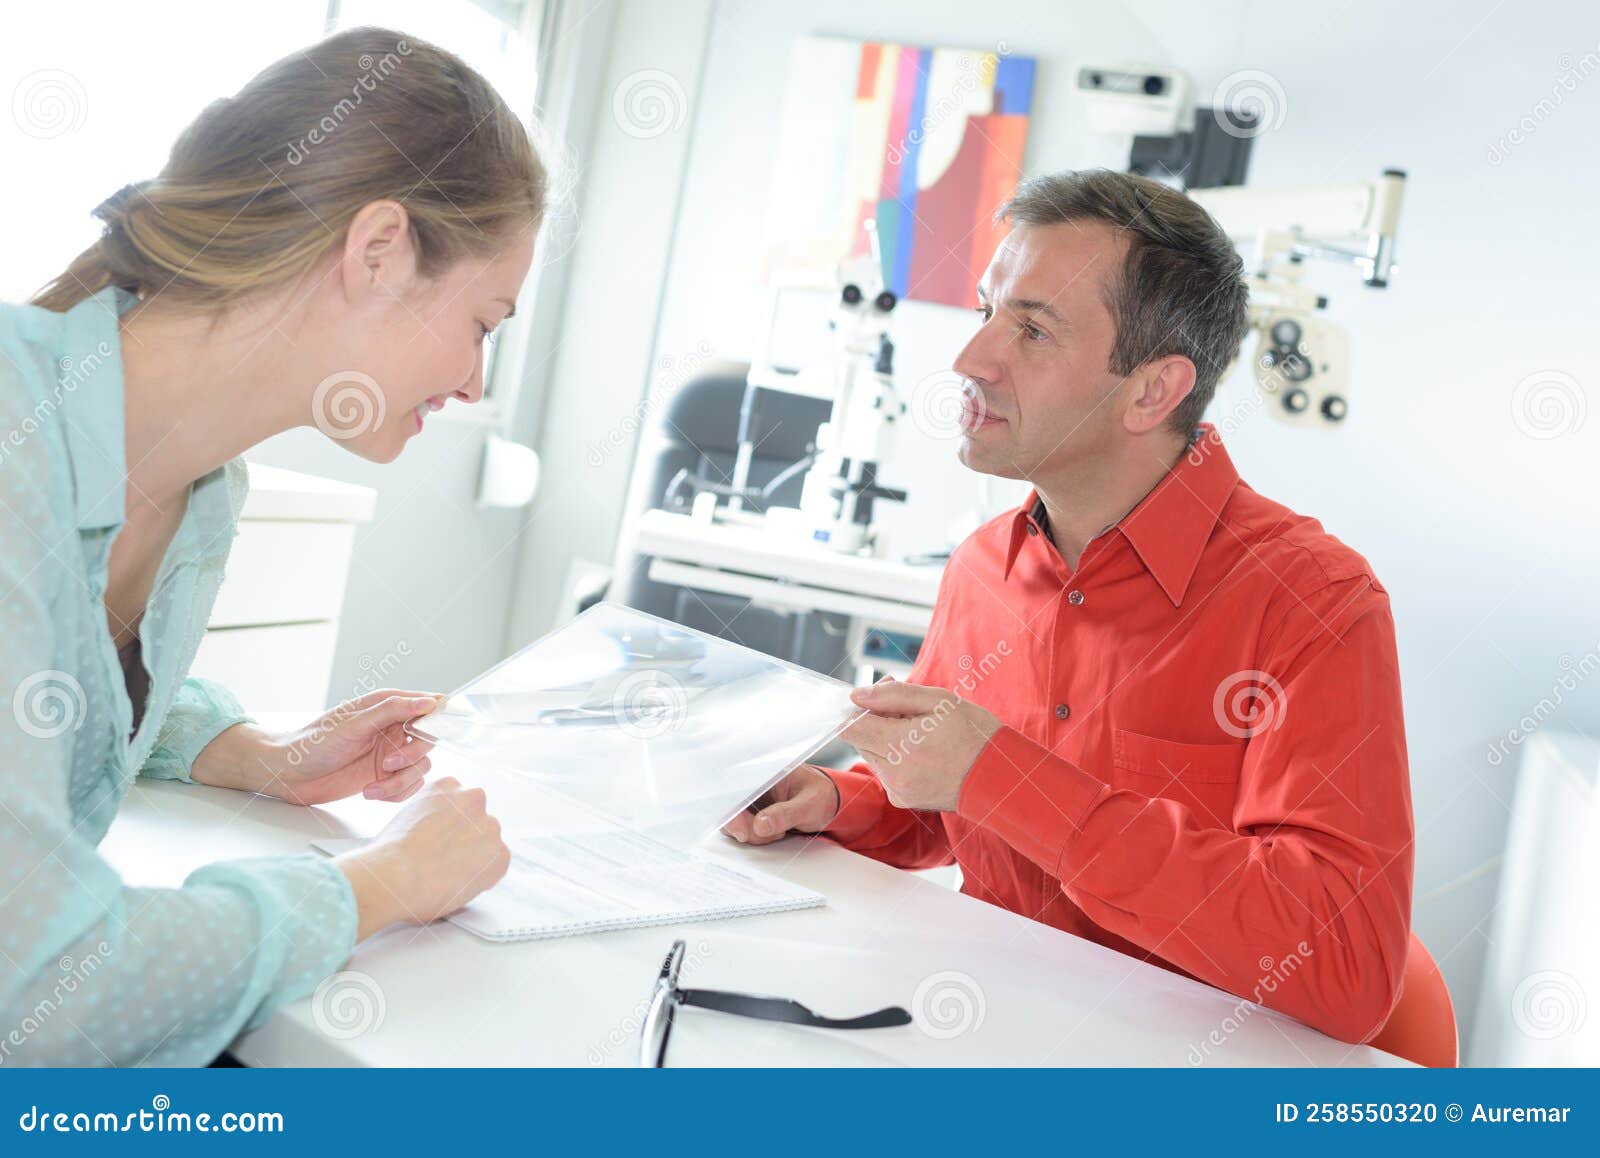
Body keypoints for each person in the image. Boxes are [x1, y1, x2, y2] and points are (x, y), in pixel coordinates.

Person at [724, 169, 1415, 1046]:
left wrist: (1007, 779)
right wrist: (834, 799)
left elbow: (1345, 966)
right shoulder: (983, 568)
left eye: (1033, 330)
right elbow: (949, 806)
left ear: (1153, 392)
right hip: (975, 1030)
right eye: (985, 312)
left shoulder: (1314, 605)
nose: (971, 360)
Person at [0, 27, 541, 1064]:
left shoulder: (202, 491)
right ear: (377, 249)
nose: (475, 379)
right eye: (484, 320)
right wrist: (375, 884)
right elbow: (40, 988)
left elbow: (43, 694)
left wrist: (253, 754)